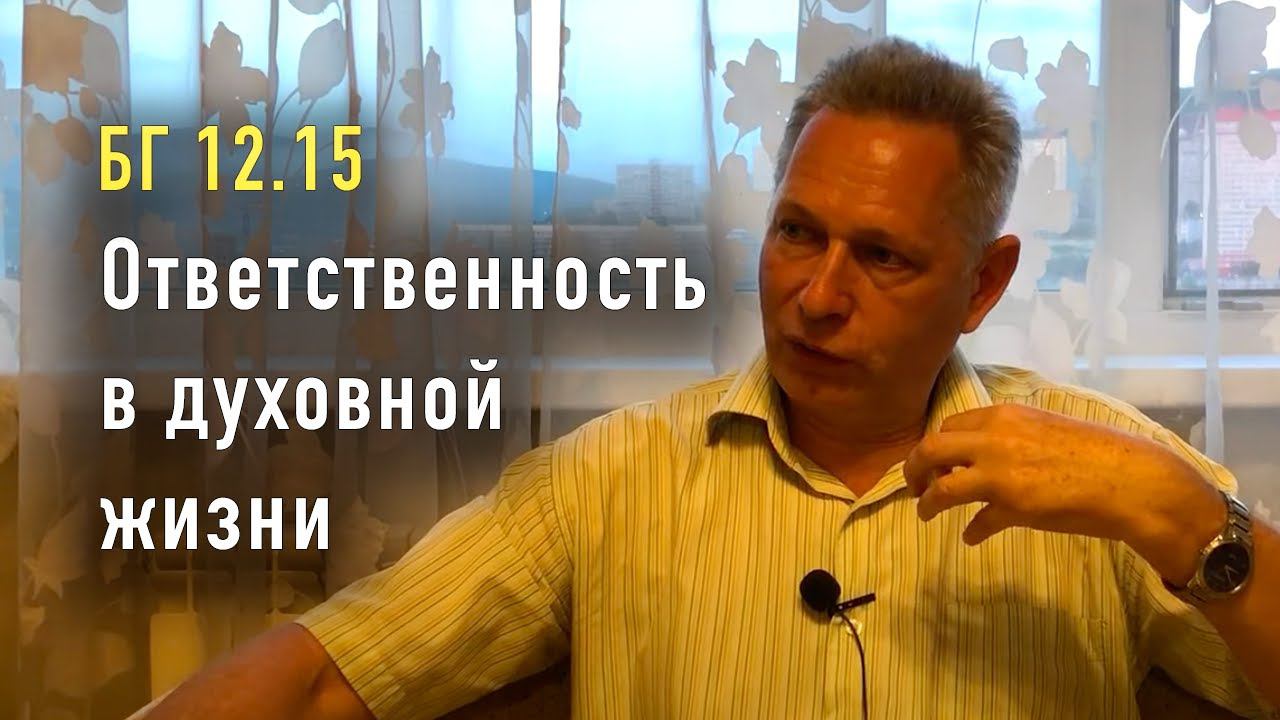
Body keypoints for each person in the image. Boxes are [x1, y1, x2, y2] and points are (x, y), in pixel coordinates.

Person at [135, 38, 1279, 720]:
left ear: (981, 285)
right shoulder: (605, 480)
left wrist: (1184, 516)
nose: (816, 295)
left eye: (881, 257)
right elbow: (327, 677)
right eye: (796, 233)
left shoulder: (1103, 476)